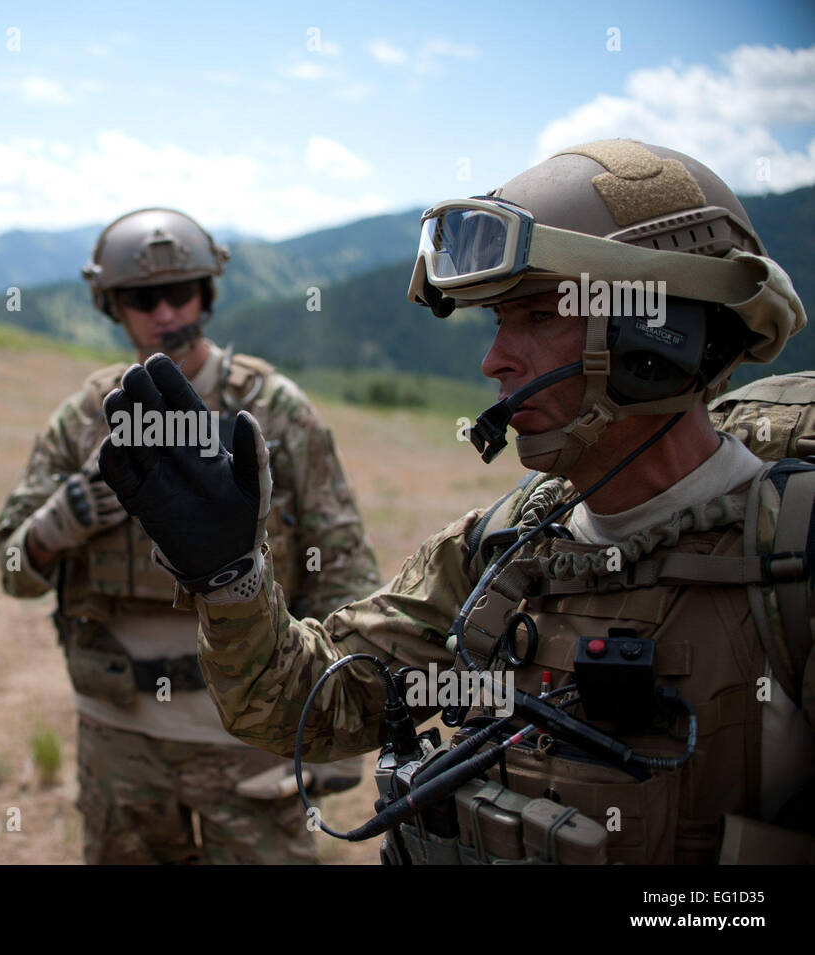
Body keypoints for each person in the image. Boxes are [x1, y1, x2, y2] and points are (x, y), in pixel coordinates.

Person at [97, 142, 815, 864]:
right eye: (498, 321)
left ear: (659, 333)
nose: (494, 359)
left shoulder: (790, 566)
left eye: (535, 318)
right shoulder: (505, 551)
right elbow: (305, 702)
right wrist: (230, 578)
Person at [0, 208, 381, 864]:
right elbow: (13, 567)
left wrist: (335, 726)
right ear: (110, 304)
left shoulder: (274, 409)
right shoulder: (87, 418)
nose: (165, 312)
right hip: (119, 735)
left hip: (250, 730)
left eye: (182, 292)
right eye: (142, 298)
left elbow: (343, 568)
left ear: (208, 293)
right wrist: (64, 518)